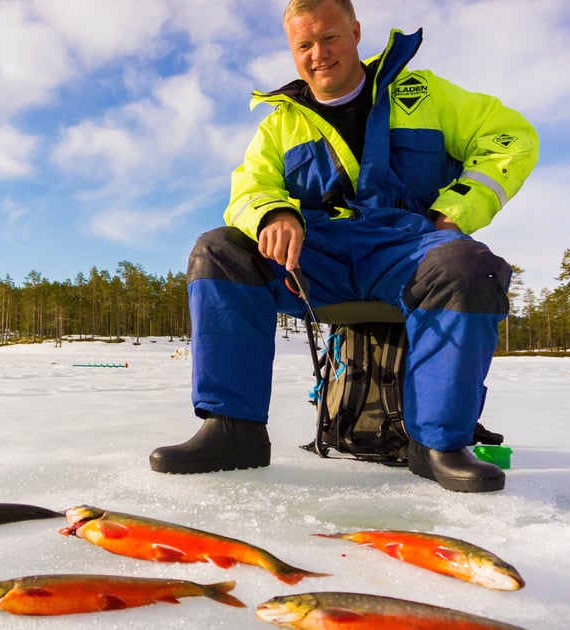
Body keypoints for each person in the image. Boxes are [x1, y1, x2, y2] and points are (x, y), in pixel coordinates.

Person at [149, 0, 538, 492]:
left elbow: (511, 138)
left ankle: (438, 443)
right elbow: (249, 188)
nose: (319, 54)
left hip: (406, 250)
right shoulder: (278, 123)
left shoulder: (423, 93)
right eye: (304, 45)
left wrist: (456, 211)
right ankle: (233, 430)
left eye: (329, 38)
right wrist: (275, 213)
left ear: (355, 32)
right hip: (318, 259)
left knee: (467, 265)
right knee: (219, 249)